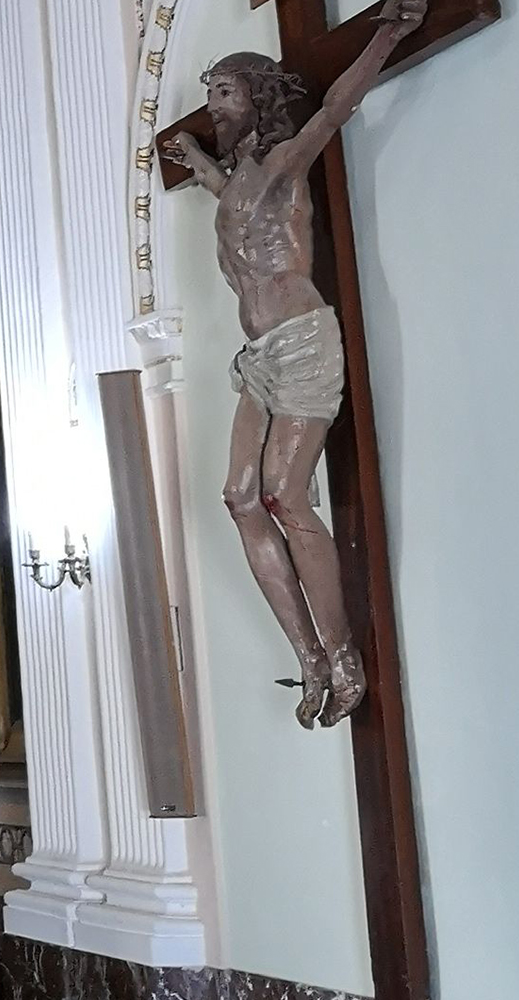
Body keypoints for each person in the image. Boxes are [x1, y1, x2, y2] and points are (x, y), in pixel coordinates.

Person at [160, 0, 425, 728]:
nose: (212, 107)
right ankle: (305, 655)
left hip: (301, 341)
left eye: (223, 94)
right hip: (257, 358)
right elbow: (233, 206)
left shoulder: (283, 161)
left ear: (255, 99)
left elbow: (335, 108)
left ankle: (343, 656)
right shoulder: (240, 178)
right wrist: (200, 163)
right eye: (211, 94)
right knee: (239, 496)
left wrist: (386, 36)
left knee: (284, 496)